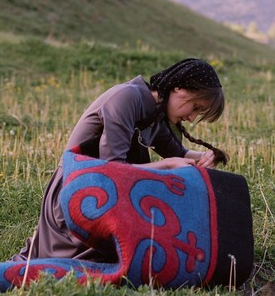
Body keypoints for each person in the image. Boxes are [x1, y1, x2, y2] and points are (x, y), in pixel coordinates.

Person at [13, 58, 229, 264]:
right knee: (91, 267)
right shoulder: (126, 98)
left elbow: (178, 152)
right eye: (195, 108)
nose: (192, 118)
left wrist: (202, 157)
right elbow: (112, 168)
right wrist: (167, 166)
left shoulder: (155, 112)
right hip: (74, 196)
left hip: (103, 194)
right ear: (179, 88)